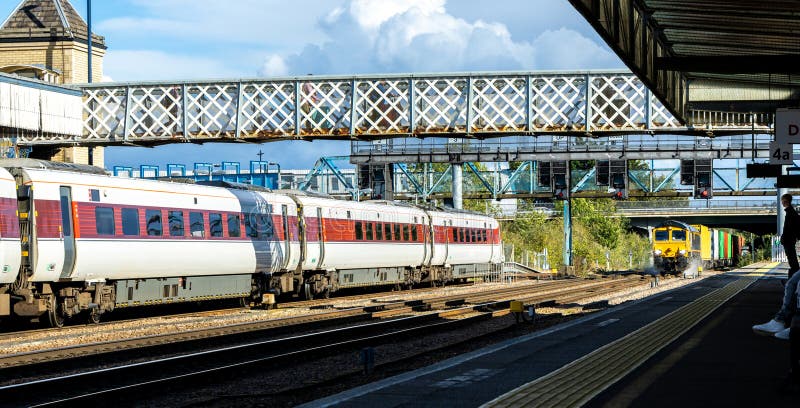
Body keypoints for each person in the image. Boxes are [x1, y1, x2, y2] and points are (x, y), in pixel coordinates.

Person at [753, 193, 800, 340]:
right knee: (792, 283)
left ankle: (791, 324)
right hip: (789, 241)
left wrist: (787, 238)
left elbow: (793, 228)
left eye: (783, 200)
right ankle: (783, 321)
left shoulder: (791, 213)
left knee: (794, 279)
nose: (782, 203)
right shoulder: (791, 213)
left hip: (789, 241)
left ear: (785, 201)